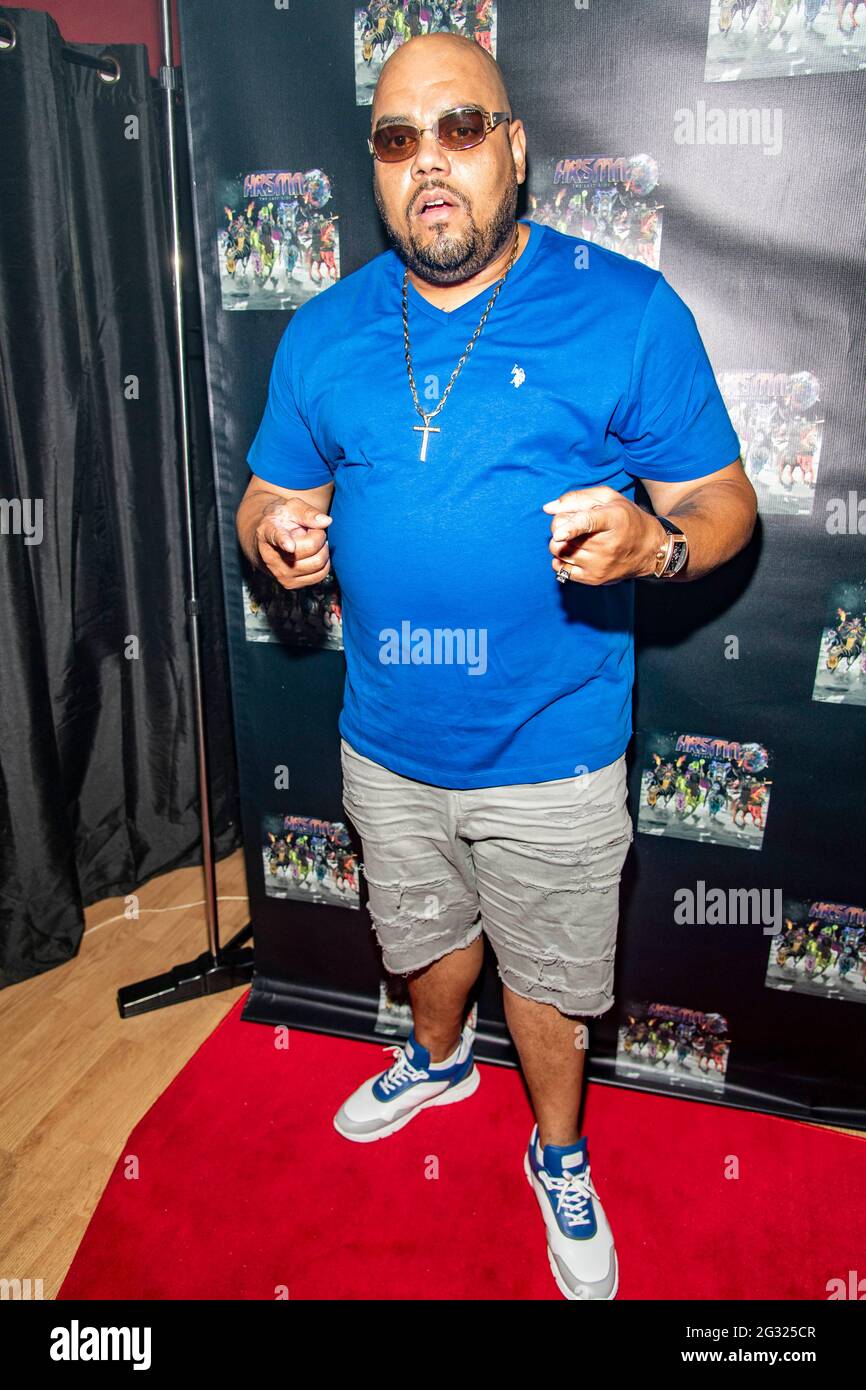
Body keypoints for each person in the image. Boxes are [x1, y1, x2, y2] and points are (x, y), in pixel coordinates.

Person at [236, 32, 757, 1300]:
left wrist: (656, 540)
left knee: (551, 979)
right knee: (423, 943)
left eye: (459, 130)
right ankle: (434, 1060)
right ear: (373, 166)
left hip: (554, 752)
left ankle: (557, 1147)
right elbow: (267, 492)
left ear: (513, 150)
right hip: (384, 740)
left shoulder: (624, 310)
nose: (429, 164)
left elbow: (727, 505)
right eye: (396, 139)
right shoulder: (322, 332)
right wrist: (270, 532)